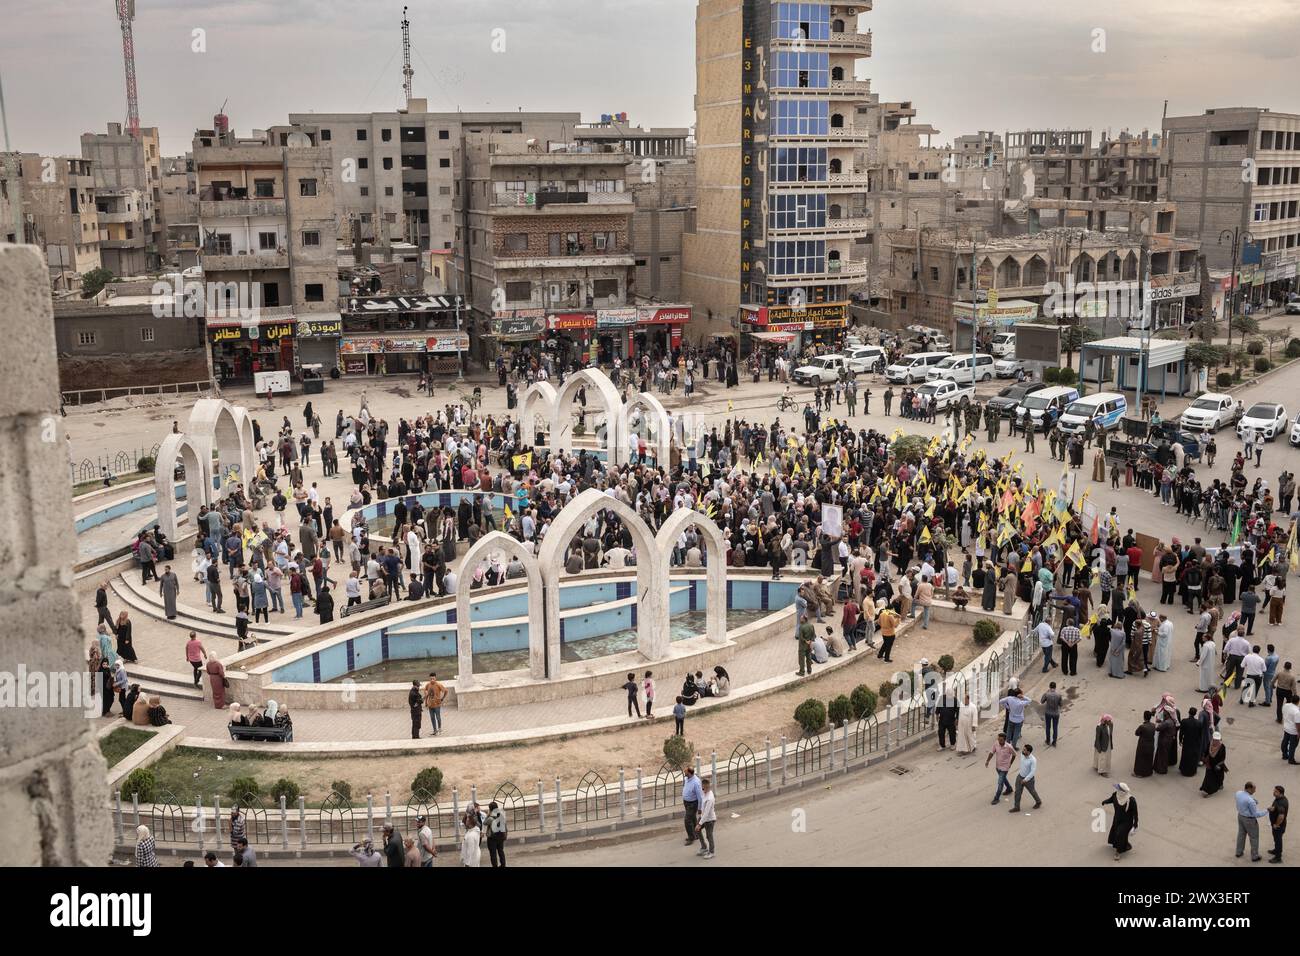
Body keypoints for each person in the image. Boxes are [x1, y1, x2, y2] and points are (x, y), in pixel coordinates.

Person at [1100, 783, 1138, 861]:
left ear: (1122, 791)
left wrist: (1135, 825)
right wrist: (1105, 802)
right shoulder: (1116, 795)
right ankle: (1126, 845)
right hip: (1117, 819)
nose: (1117, 790)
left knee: (1120, 834)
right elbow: (1111, 799)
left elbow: (1135, 813)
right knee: (1116, 832)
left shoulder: (1131, 800)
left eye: (1118, 789)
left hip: (1127, 822)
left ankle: (1118, 852)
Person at [1236, 781, 1268, 861]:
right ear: (1249, 789)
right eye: (1254, 789)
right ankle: (1254, 856)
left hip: (1240, 816)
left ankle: (1239, 852)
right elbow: (1256, 814)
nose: (1255, 791)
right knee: (1254, 837)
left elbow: (1243, 799)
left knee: (1241, 835)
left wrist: (1253, 800)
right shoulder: (1250, 801)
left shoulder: (1238, 793)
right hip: (1249, 820)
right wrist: (1267, 810)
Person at [1009, 743, 1042, 812]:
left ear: (1028, 752)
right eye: (1023, 749)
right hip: (1020, 776)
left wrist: (1025, 779)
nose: (1022, 751)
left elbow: (1032, 771)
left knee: (1032, 791)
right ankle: (1016, 807)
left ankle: (1038, 801)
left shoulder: (1033, 760)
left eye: (1024, 750)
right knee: (1017, 792)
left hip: (1028, 780)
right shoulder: (1022, 755)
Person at [986, 732, 1016, 805]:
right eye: (998, 739)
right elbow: (991, 752)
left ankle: (996, 798)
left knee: (1000, 783)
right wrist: (987, 761)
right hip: (998, 766)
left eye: (1001, 740)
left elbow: (1014, 755)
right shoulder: (996, 744)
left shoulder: (1009, 747)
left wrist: (1010, 763)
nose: (999, 741)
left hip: (1005, 768)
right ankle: (1009, 789)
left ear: (1005, 740)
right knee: (1003, 778)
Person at [694, 777, 718, 860]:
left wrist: (700, 824)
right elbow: (702, 803)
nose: (704, 789)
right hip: (703, 817)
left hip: (709, 820)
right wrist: (700, 810)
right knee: (696, 830)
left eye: (706, 787)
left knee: (709, 836)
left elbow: (707, 813)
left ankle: (711, 852)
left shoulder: (710, 798)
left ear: (709, 787)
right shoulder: (703, 792)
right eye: (703, 787)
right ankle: (704, 847)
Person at [1201, 732, 1228, 796]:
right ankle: (1208, 790)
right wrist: (1204, 758)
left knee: (1219, 776)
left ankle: (1220, 784)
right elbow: (1206, 752)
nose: (1215, 741)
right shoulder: (1209, 744)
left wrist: (1219, 765)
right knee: (1209, 777)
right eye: (1214, 740)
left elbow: (1223, 757)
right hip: (1210, 763)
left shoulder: (1222, 747)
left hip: (1218, 765)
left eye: (1217, 740)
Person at [681, 766, 703, 846]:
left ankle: (691, 837)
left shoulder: (696, 782)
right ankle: (696, 834)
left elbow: (700, 797)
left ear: (690, 773)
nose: (684, 772)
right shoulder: (686, 779)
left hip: (692, 804)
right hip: (686, 802)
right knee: (693, 818)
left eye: (686, 771)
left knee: (687, 820)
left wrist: (700, 808)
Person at [423, 672, 447, 737]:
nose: (432, 680)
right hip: (430, 705)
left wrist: (442, 698)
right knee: (432, 718)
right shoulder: (428, 685)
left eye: (433, 678)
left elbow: (446, 691)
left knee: (438, 717)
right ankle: (434, 730)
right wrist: (426, 703)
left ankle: (439, 728)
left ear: (435, 678)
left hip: (437, 705)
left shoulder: (438, 685)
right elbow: (426, 693)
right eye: (431, 679)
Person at [1133, 711, 1156, 777]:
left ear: (1144, 717)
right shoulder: (1153, 725)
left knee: (1141, 759)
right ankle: (1148, 772)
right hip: (1151, 744)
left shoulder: (1142, 726)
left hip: (1143, 745)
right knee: (1148, 758)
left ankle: (1140, 773)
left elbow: (1136, 733)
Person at [1269, 785, 1288, 864]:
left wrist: (1276, 824)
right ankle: (1276, 850)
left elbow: (1281, 816)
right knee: (1276, 839)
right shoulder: (1279, 799)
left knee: (1278, 840)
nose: (1273, 792)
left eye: (1275, 791)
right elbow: (1277, 808)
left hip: (1279, 826)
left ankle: (1278, 857)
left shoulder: (1281, 803)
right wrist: (1273, 808)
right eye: (1274, 790)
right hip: (1277, 825)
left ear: (1280, 793)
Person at [485, 801, 508, 868]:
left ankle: (495, 865)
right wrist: (506, 834)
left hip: (492, 838)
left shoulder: (490, 818)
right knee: (501, 851)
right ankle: (503, 865)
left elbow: (485, 823)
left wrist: (488, 814)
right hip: (501, 836)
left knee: (493, 854)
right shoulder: (502, 815)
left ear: (490, 809)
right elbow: (505, 825)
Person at [1040, 682, 1062, 747]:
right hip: (1056, 713)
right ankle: (1054, 741)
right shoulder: (1058, 695)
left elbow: (1042, 701)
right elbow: (1061, 704)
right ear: (1055, 687)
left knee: (1048, 727)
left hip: (1048, 712)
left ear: (1049, 687)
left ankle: (1048, 740)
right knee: (1055, 727)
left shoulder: (1046, 694)